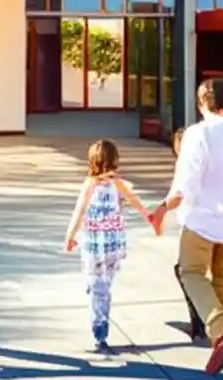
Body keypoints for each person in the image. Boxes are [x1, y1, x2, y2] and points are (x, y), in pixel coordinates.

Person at [151, 79, 223, 375]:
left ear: (200, 102)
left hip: (200, 222)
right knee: (222, 273)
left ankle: (219, 330)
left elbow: (186, 184)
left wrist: (164, 207)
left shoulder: (196, 134)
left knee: (191, 273)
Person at [64, 139, 155, 355]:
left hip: (95, 246)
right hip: (114, 246)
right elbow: (135, 202)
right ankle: (97, 294)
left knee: (98, 288)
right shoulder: (119, 184)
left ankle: (100, 332)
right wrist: (150, 217)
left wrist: (70, 236)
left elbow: (79, 211)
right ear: (115, 160)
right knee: (104, 286)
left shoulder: (89, 184)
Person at [168, 127, 206, 342]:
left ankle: (200, 323)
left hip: (196, 227)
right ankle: (206, 319)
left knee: (187, 272)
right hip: (211, 225)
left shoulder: (188, 166)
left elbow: (179, 195)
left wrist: (162, 209)